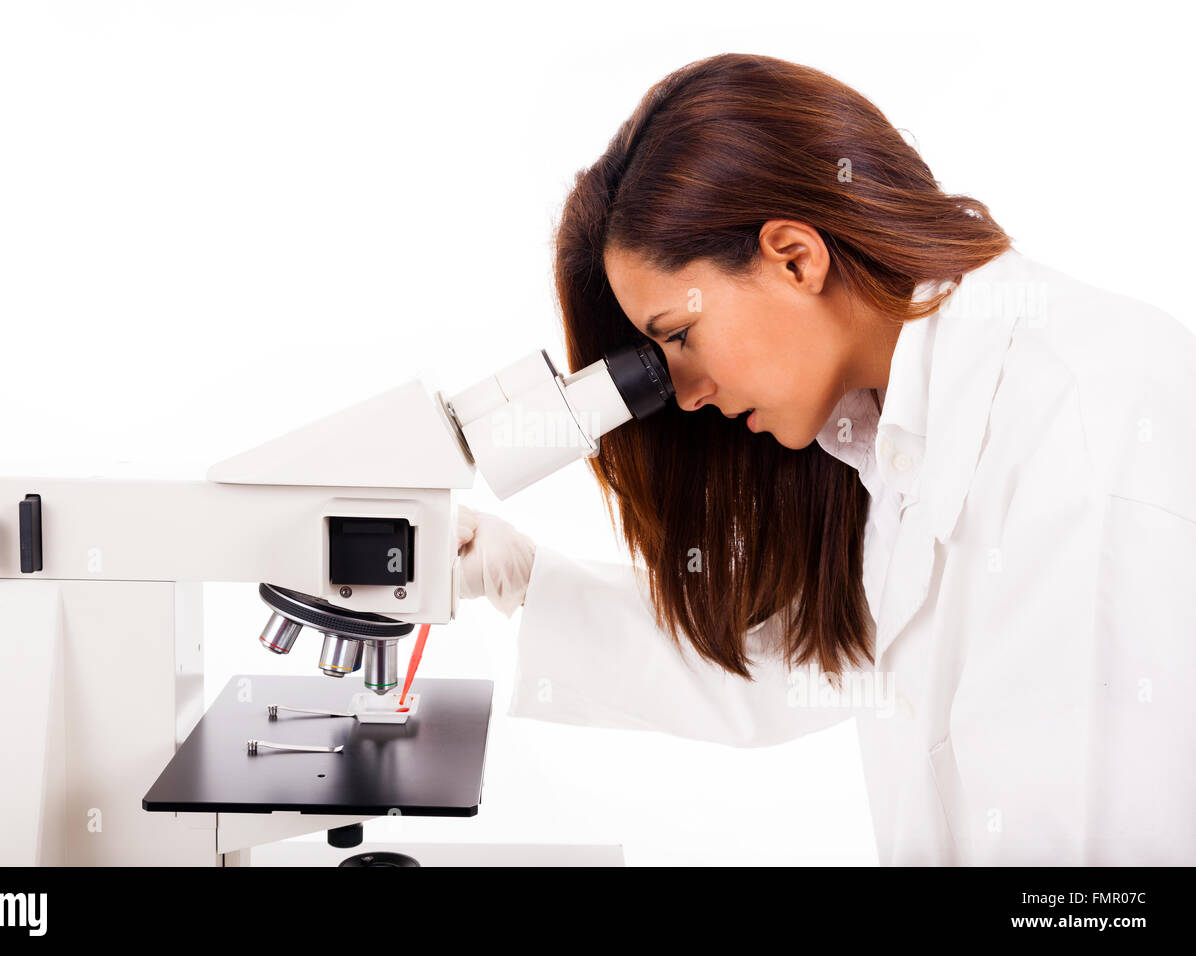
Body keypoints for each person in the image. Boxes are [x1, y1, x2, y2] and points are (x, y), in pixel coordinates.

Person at [457, 53, 1196, 866]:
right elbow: (805, 655)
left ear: (794, 257)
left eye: (678, 337)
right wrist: (519, 580)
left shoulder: (1079, 414)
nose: (686, 391)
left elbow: (1098, 885)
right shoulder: (895, 440)